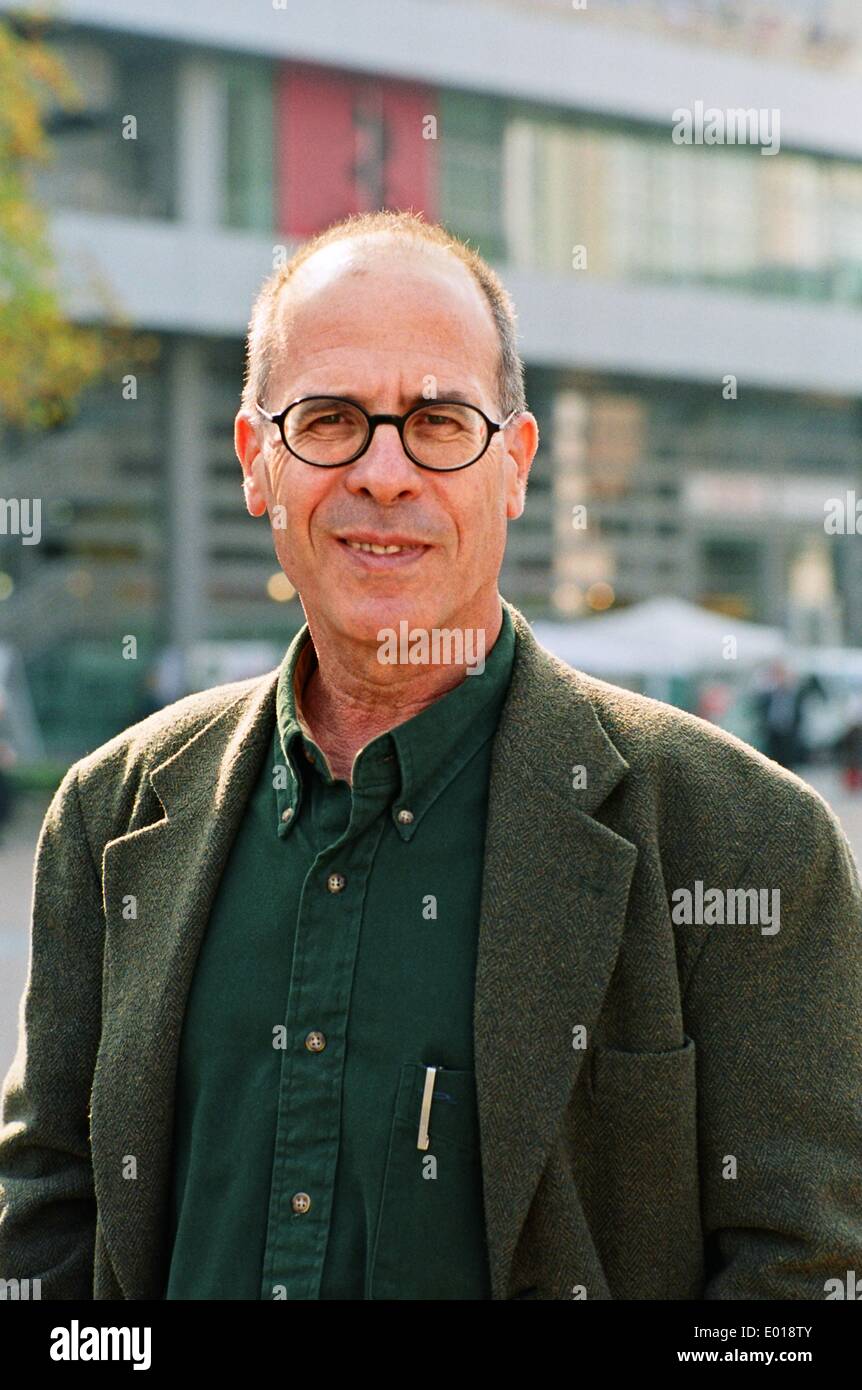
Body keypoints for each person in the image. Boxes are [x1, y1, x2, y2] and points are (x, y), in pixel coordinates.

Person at [1, 210, 860, 1302]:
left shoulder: (744, 845)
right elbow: (42, 1228)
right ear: (255, 461)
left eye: (440, 422)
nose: (385, 472)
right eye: (328, 419)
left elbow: (807, 1278)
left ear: (515, 464)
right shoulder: (109, 817)